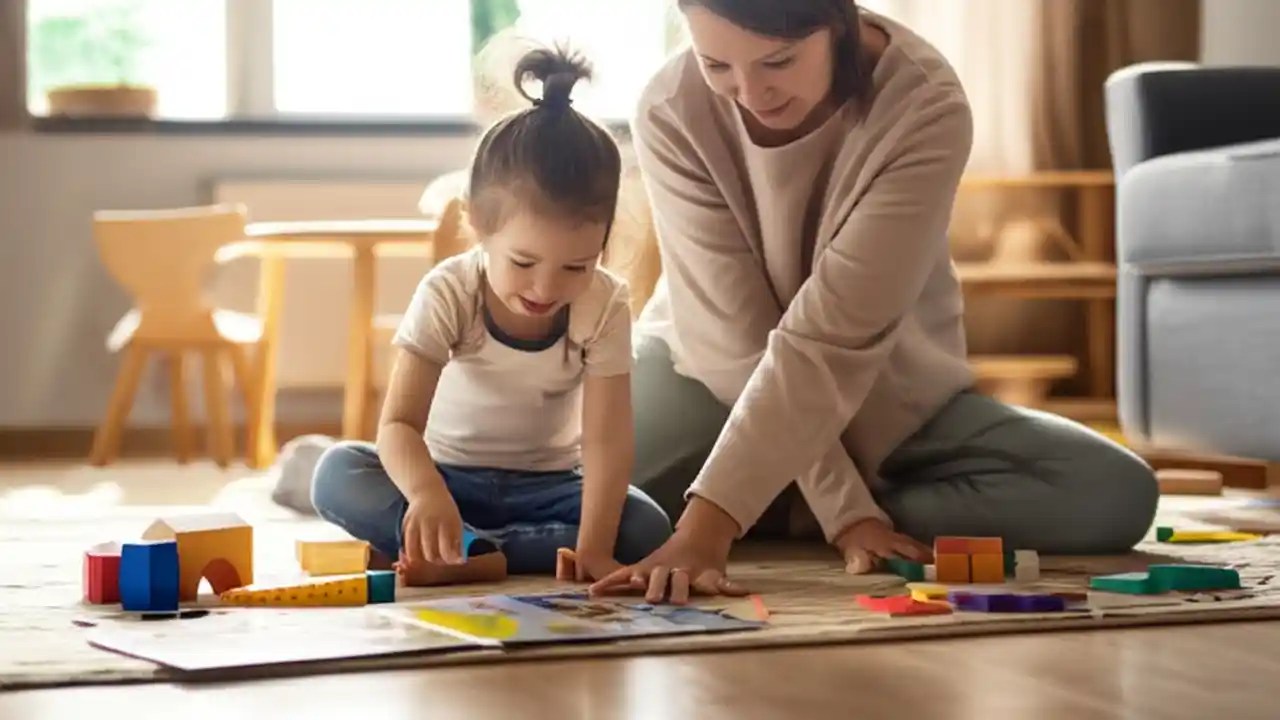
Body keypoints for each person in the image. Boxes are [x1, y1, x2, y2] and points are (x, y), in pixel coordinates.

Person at [589, 0, 1157, 604]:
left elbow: (830, 340)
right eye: (716, 64)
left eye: (778, 60)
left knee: (1113, 496)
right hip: (707, 381)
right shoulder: (671, 107)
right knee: (585, 503)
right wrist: (842, 509)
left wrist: (710, 525)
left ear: (840, 21)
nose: (751, 92)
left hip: (887, 397)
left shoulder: (924, 104)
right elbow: (737, 342)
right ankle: (778, 493)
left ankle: (770, 499)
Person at [311, 45, 673, 585]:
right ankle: (458, 538)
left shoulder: (606, 303)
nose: (546, 288)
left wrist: (595, 549)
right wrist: (427, 494)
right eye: (523, 261)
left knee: (646, 526)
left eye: (577, 265)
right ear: (476, 222)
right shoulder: (450, 292)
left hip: (549, 486)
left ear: (604, 239)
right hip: (447, 477)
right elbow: (399, 426)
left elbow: (606, 442)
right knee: (336, 473)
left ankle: (470, 551)